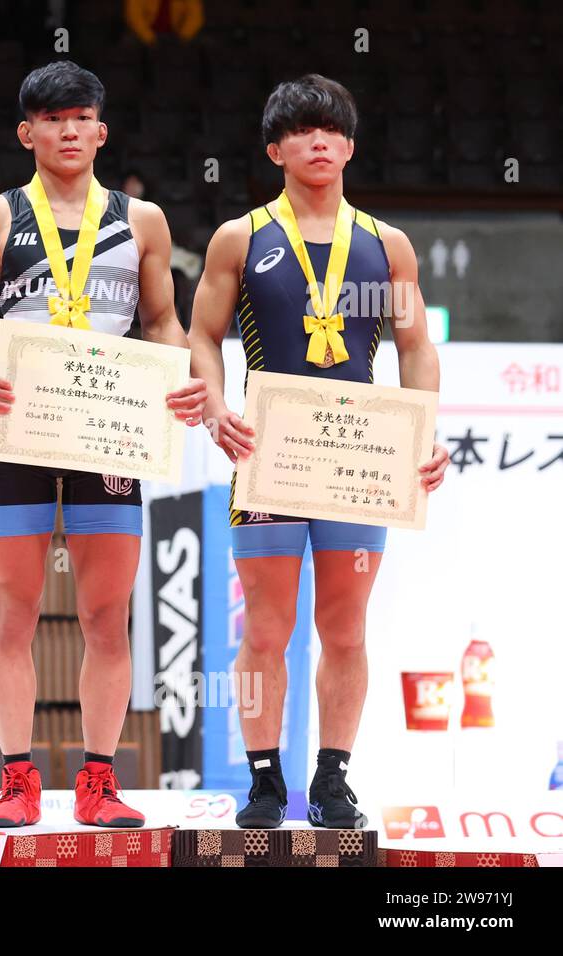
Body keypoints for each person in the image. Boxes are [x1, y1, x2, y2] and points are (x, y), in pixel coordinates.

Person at [0, 61, 208, 829]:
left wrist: (183, 374)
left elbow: (161, 321)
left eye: (81, 117)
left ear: (101, 130)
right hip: (20, 427)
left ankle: (99, 778)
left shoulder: (142, 220)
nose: (68, 130)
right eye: (52, 119)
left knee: (105, 615)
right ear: (28, 132)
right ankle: (18, 777)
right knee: (12, 611)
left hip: (111, 433)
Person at [187, 74, 450, 829]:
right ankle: (266, 779)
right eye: (302, 130)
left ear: (350, 147)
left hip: (358, 460)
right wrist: (215, 407)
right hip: (269, 457)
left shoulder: (384, 244)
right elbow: (203, 335)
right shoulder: (241, 237)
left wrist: (423, 433)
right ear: (276, 149)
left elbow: (415, 345)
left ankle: (333, 778)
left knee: (346, 628)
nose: (319, 141)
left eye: (332, 130)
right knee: (265, 629)